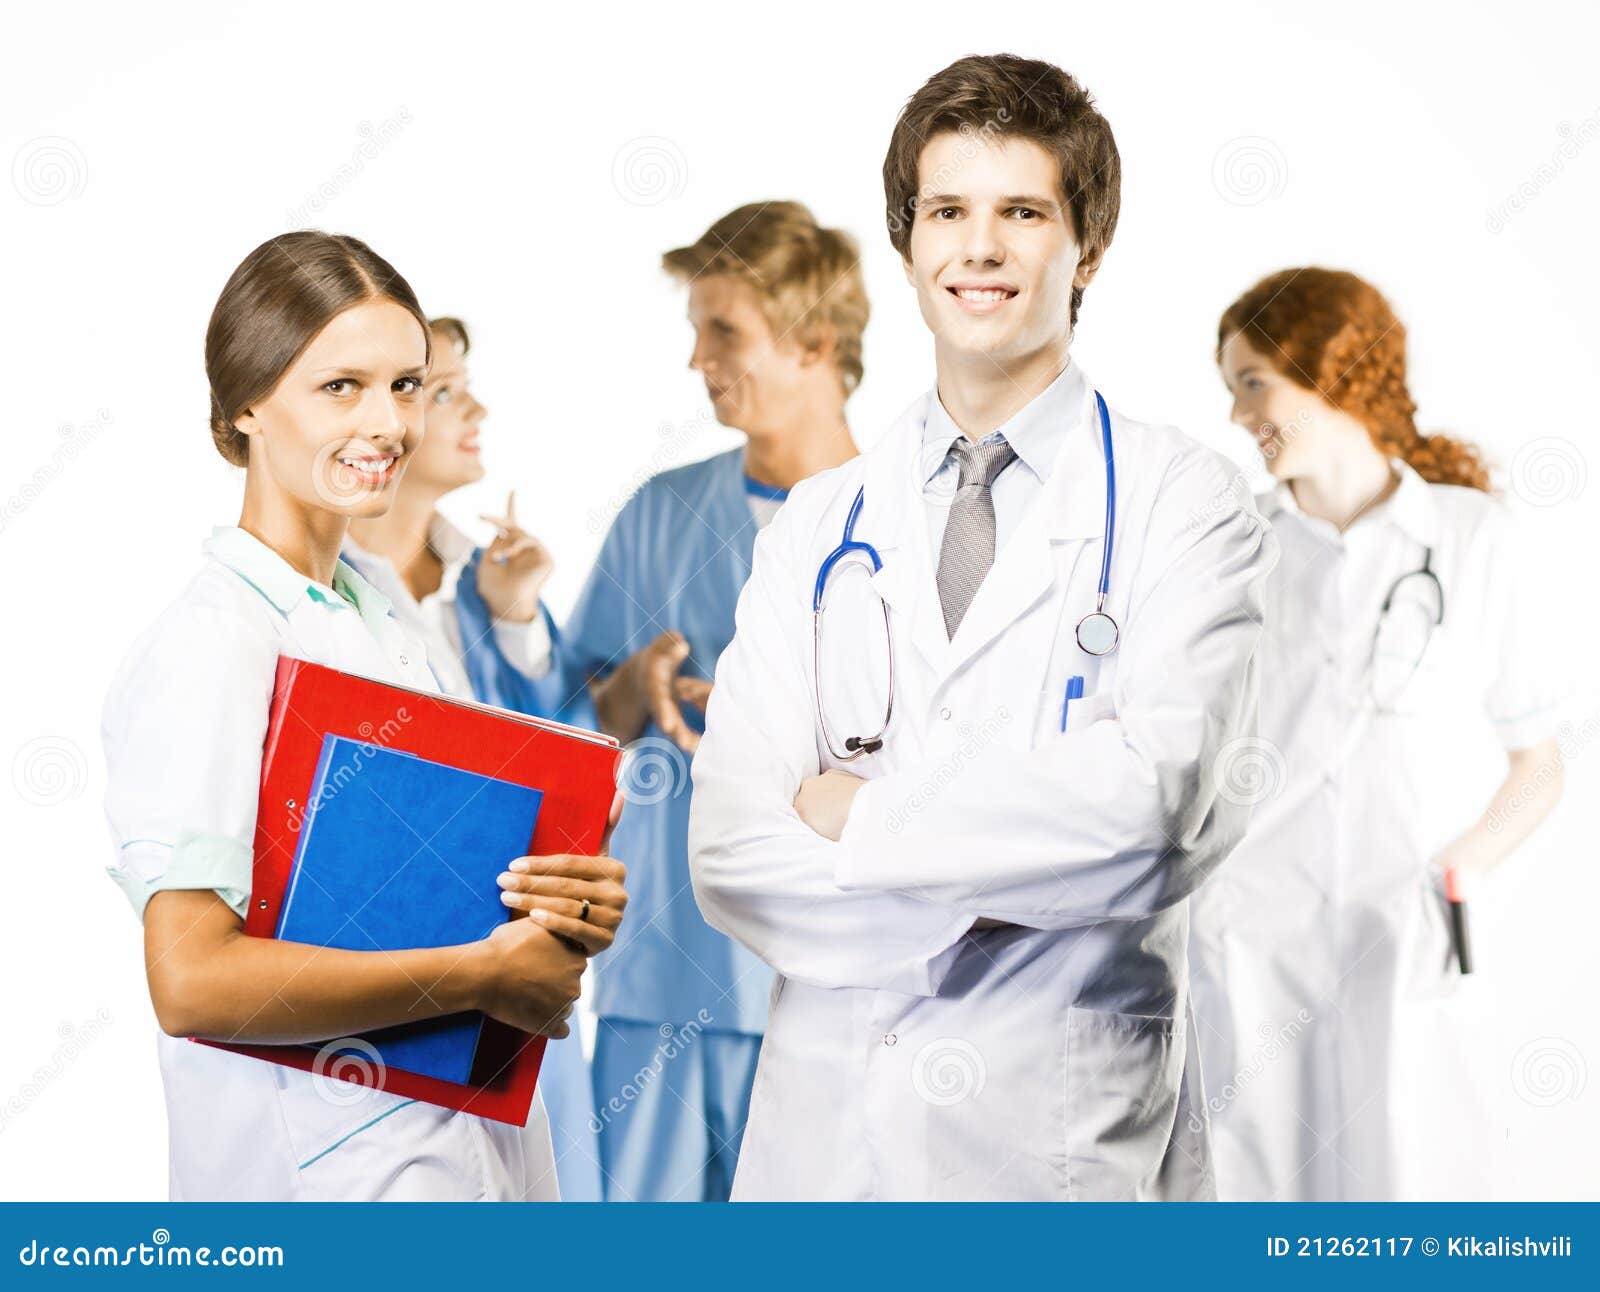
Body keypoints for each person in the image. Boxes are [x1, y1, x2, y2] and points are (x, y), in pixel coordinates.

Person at [687, 53, 1278, 1201]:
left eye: (1022, 212)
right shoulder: (819, 521)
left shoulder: (1183, 500)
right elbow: (728, 851)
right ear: (908, 245)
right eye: (948, 211)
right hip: (825, 1151)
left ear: (1085, 248)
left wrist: (860, 818)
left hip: (1049, 1150)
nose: (981, 248)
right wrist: (1017, 875)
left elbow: (1150, 816)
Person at [100, 231, 627, 1201]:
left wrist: (560, 887)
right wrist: (476, 975)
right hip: (321, 1183)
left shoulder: (385, 612)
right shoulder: (212, 643)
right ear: (249, 403)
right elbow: (188, 980)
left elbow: (427, 886)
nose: (388, 420)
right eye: (341, 385)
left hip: (465, 1162)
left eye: (407, 384)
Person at [1191, 267, 1569, 1201]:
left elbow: (1540, 761)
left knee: (1406, 1180)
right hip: (1253, 933)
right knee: (1258, 1195)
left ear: (1328, 373)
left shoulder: (1472, 539)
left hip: (1401, 930)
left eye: (1252, 384)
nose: (1238, 415)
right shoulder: (1236, 550)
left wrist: (1460, 873)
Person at [560, 201, 869, 1201]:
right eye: (696, 331)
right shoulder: (660, 513)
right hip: (663, 963)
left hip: (837, 970)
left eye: (722, 330)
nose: (697, 359)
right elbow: (562, 728)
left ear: (813, 339)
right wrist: (629, 693)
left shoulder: (906, 522)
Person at [341, 314, 603, 1201]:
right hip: (399, 990)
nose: (469, 407)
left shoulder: (482, 588)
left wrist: (518, 613)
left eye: (439, 384)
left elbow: (570, 769)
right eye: (437, 389)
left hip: (520, 960)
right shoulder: (331, 600)